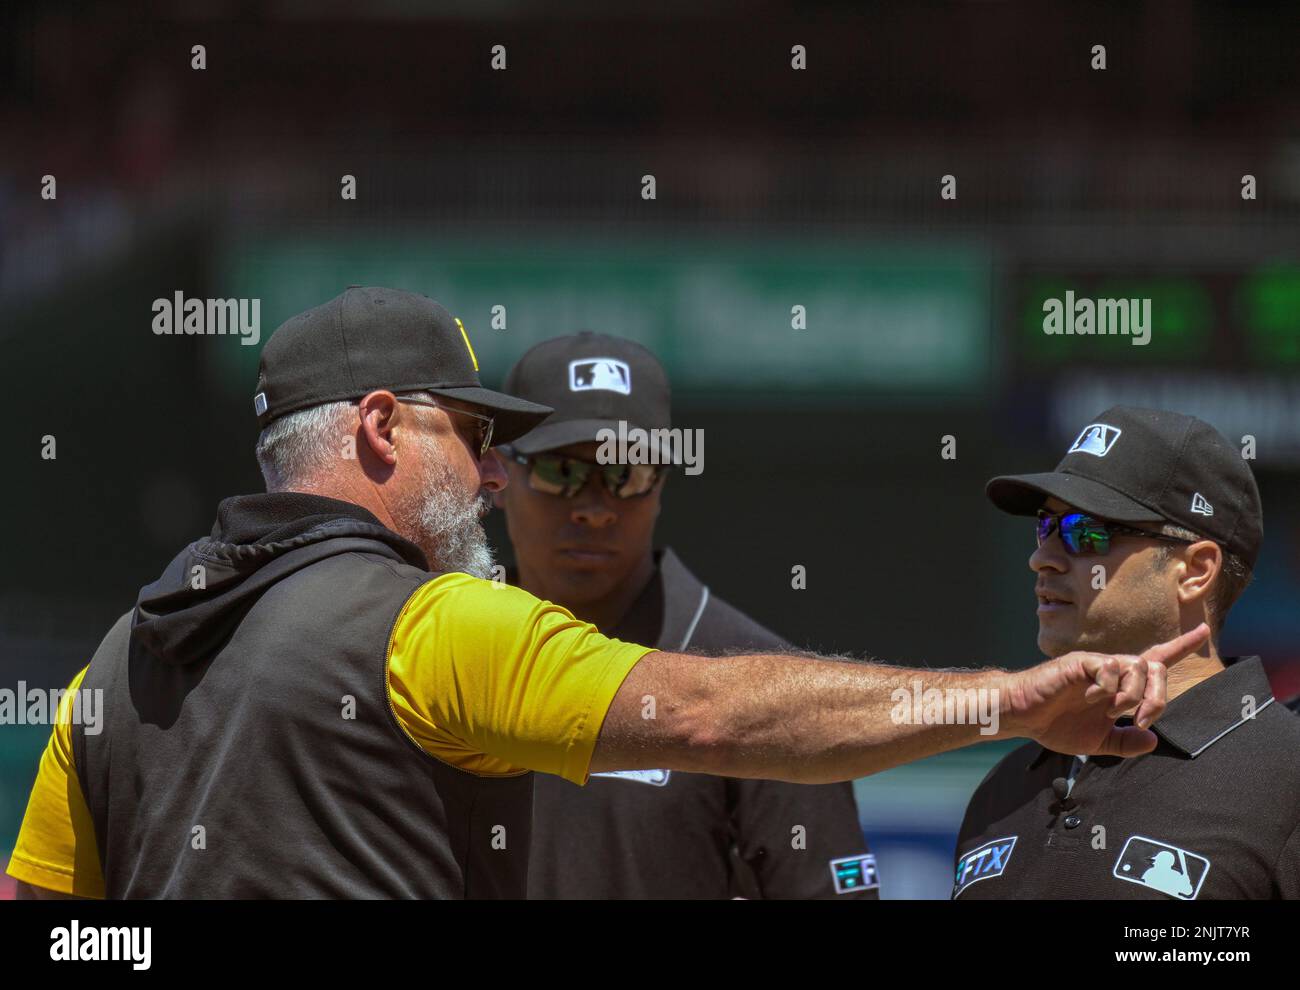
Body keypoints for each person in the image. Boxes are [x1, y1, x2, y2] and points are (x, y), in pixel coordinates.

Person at [7, 290, 1201, 899]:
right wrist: (1005, 702)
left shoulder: (122, 654)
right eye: (472, 434)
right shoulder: (424, 622)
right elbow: (714, 719)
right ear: (377, 427)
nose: (485, 471)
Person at [495, 332, 876, 899]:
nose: (596, 508)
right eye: (560, 471)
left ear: (661, 485)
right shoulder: (444, 653)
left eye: (629, 474)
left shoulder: (761, 682)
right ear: (499, 473)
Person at [954, 406, 1300, 900]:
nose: (1042, 558)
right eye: (1044, 527)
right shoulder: (1005, 784)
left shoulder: (1287, 774)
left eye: (1084, 532)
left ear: (1195, 570)